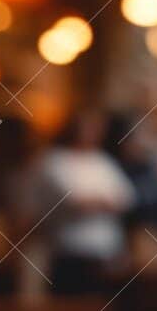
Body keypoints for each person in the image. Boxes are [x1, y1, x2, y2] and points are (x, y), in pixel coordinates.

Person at [35, 113, 135, 294]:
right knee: (71, 305)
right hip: (70, 254)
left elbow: (126, 200)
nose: (92, 133)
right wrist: (104, 201)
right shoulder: (55, 161)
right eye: (87, 127)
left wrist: (96, 201)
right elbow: (74, 201)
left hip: (107, 253)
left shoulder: (103, 161)